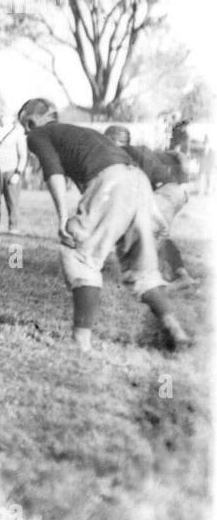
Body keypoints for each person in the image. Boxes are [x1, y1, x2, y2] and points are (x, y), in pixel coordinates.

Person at [18, 98, 189, 351]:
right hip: (139, 183)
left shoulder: (38, 134)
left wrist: (63, 218)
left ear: (32, 121)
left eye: (26, 125)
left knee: (78, 253)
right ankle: (177, 331)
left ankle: (80, 340)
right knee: (142, 269)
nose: (25, 132)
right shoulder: (79, 133)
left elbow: (53, 172)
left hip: (113, 182)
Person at [103, 125, 194, 289]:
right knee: (154, 232)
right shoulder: (141, 150)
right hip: (173, 192)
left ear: (112, 140)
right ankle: (181, 275)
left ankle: (149, 280)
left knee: (141, 233)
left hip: (163, 194)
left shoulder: (121, 154)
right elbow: (175, 155)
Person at [0, 115, 27, 232]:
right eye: (2, 113)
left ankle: (13, 227)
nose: (3, 116)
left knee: (12, 202)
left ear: (12, 117)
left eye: (6, 114)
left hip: (11, 170)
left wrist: (18, 173)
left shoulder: (18, 132)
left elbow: (23, 156)